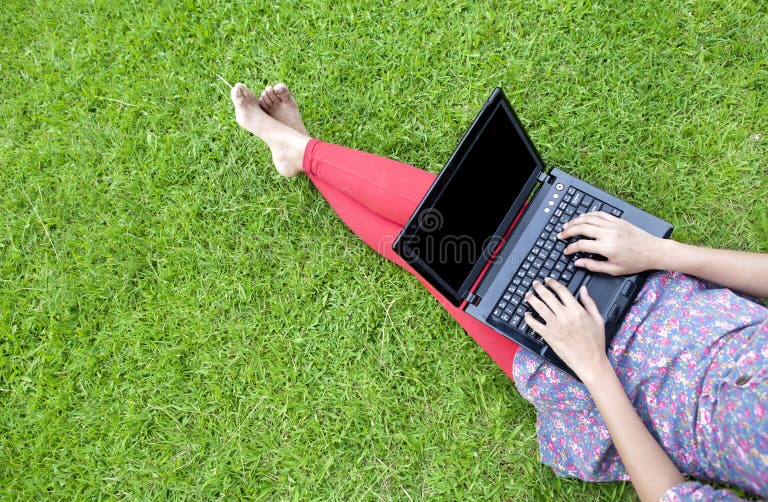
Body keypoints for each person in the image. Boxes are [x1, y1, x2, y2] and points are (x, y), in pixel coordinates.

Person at [230, 82, 768, 501]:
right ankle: (299, 151)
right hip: (652, 282)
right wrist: (659, 252)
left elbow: (672, 496)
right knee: (478, 219)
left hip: (599, 380)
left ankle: (299, 150)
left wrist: (592, 364)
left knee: (437, 258)